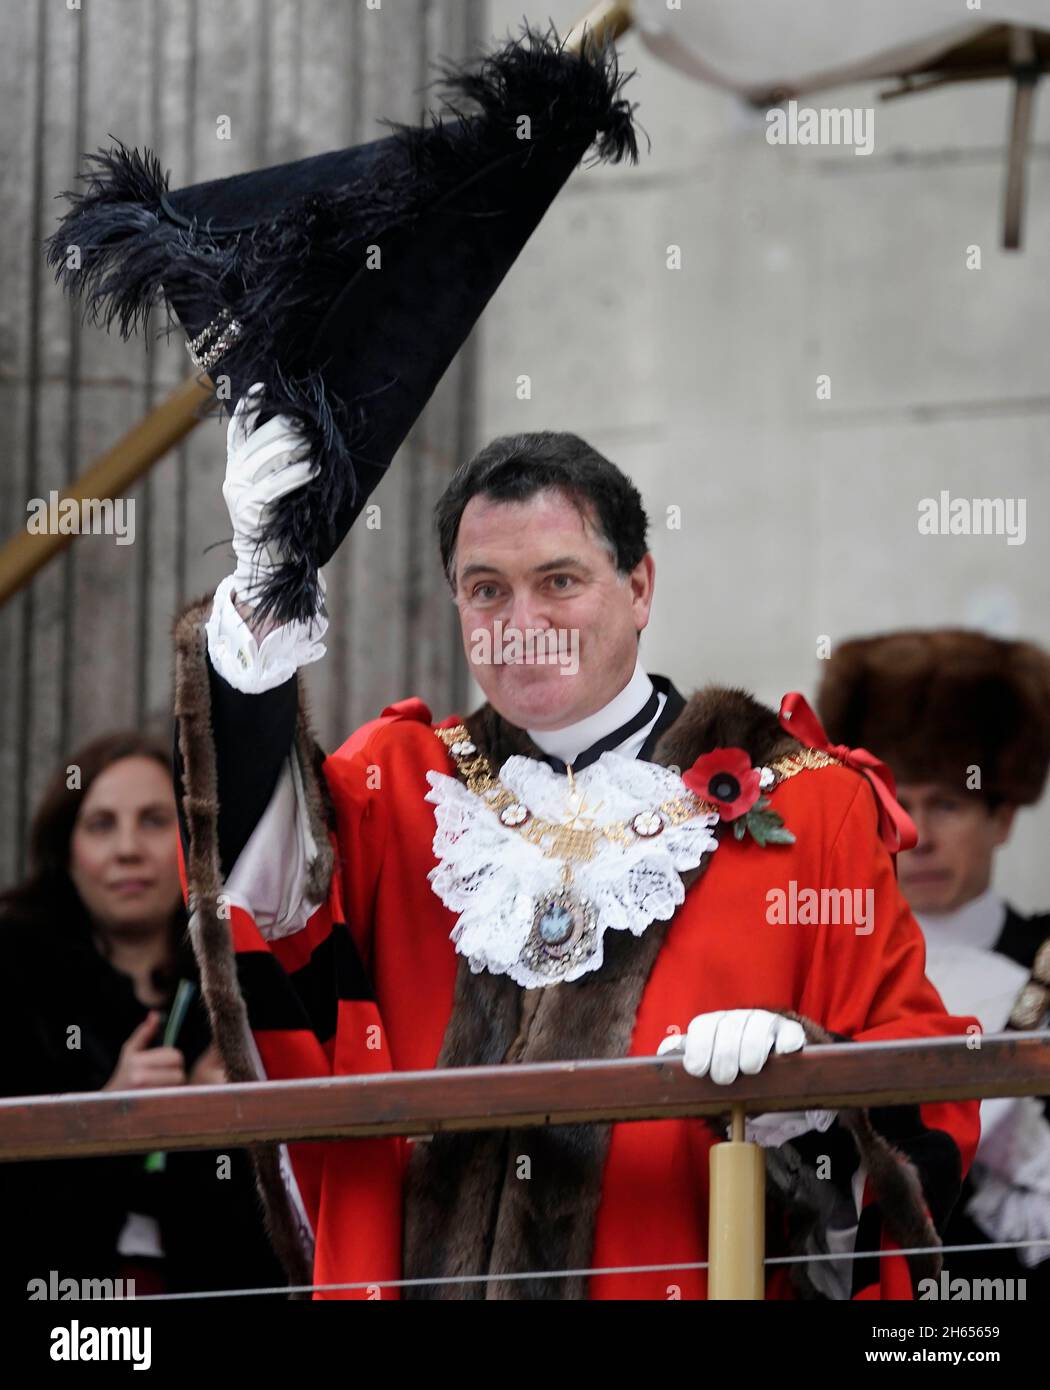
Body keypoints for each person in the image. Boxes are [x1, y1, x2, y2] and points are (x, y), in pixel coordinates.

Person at [170, 404, 980, 1301]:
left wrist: (813, 1081)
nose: (522, 621)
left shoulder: (809, 801)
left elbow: (928, 1078)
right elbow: (257, 893)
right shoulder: (392, 787)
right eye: (486, 590)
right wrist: (253, 636)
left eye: (559, 581)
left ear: (639, 587)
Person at [0, 731, 286, 1300]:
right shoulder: (15, 981)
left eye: (154, 821)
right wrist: (110, 1117)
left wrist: (227, 1124)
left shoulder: (244, 982)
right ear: (67, 852)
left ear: (190, 845)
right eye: (101, 825)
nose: (128, 849)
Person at [817, 629, 1050, 1296]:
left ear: (1001, 816)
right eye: (900, 806)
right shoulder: (836, 961)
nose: (918, 836)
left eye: (946, 804)